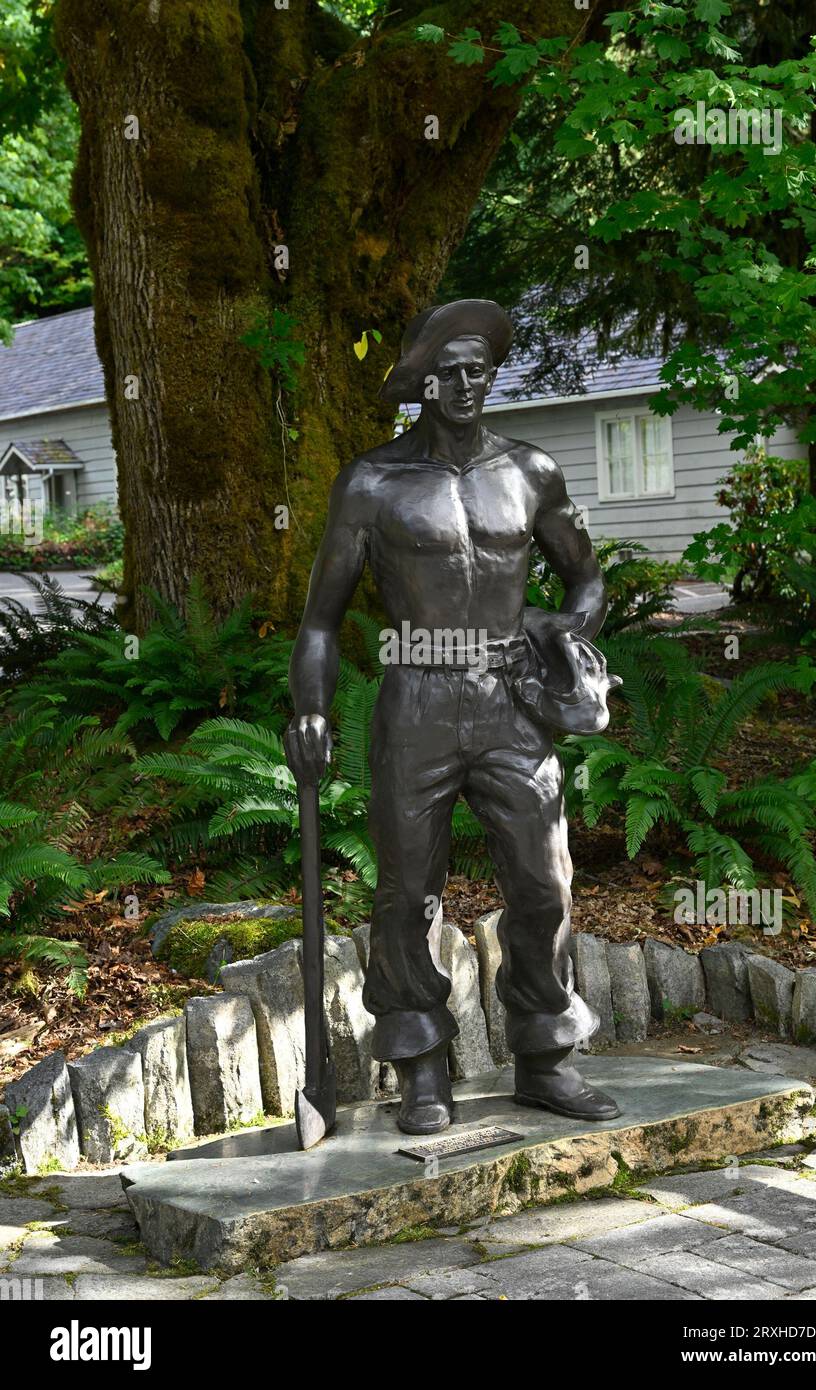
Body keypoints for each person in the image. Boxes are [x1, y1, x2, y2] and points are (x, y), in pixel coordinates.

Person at [286, 299, 621, 1135]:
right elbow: (321, 620)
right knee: (406, 894)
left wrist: (559, 630)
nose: (470, 384)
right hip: (417, 700)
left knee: (544, 881)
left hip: (513, 705)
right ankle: (420, 1067)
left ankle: (544, 1055)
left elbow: (586, 580)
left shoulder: (532, 472)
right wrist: (312, 710)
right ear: (423, 383)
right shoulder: (372, 484)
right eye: (453, 371)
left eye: (482, 369)